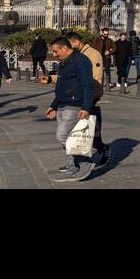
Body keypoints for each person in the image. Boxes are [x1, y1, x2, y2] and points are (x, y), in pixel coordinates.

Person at [45, 37, 96, 181]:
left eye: (55, 51)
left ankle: (86, 161)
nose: (54, 54)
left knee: (62, 136)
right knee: (68, 136)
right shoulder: (64, 62)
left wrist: (86, 107)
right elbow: (61, 86)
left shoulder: (81, 61)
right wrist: (53, 105)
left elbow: (88, 85)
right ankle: (71, 166)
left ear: (65, 49)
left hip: (74, 104)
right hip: (62, 104)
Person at [67, 32, 109, 166]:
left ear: (76, 42)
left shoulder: (93, 54)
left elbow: (96, 79)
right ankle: (78, 158)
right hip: (79, 94)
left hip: (90, 94)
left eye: (70, 44)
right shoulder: (76, 55)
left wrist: (91, 98)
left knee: (87, 126)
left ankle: (101, 149)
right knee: (84, 126)